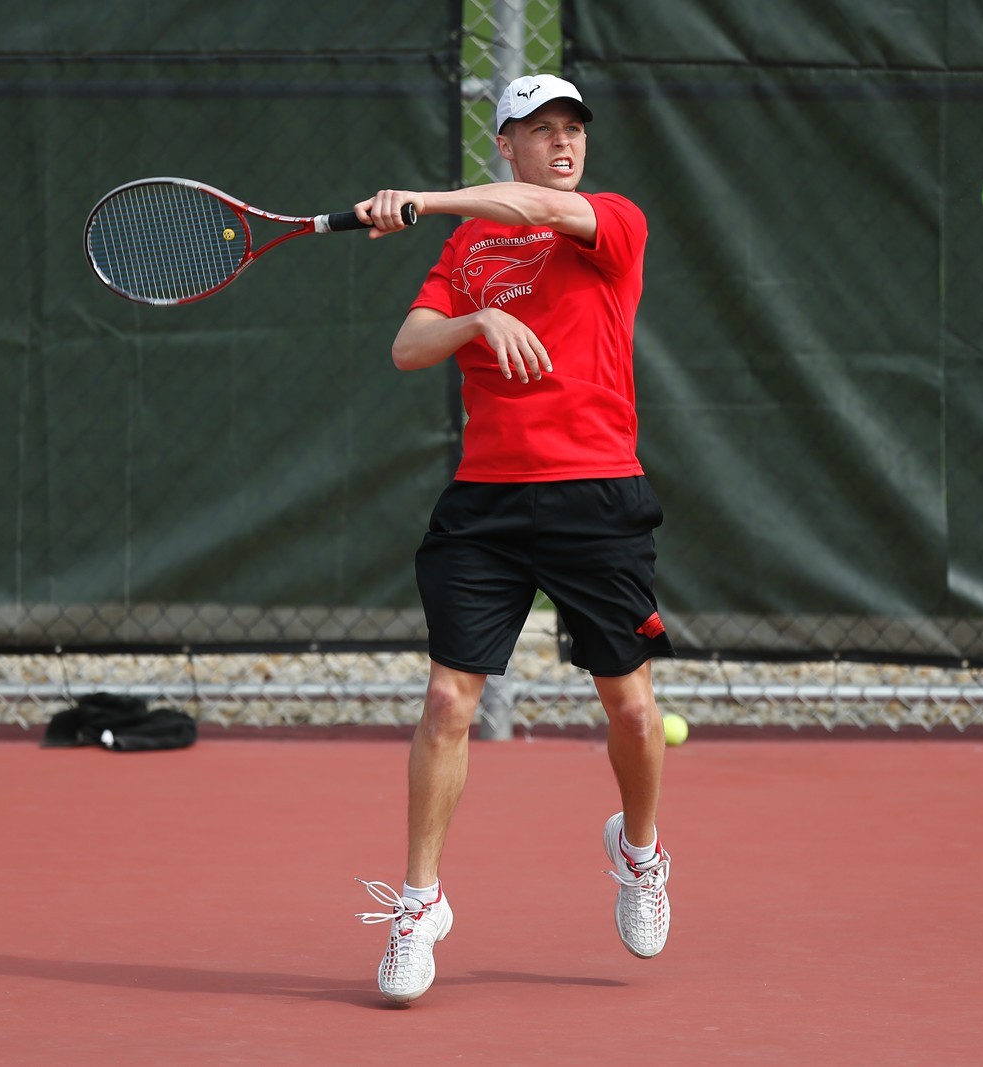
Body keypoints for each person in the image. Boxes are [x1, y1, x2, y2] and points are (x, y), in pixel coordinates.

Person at [352, 74, 675, 1005]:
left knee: (633, 711)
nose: (564, 144)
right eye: (542, 131)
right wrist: (478, 318)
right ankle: (420, 904)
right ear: (506, 142)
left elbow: (534, 206)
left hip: (598, 498)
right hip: (485, 504)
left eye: (574, 129)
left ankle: (640, 850)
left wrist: (418, 197)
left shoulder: (612, 221)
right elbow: (411, 347)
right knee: (449, 698)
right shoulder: (469, 243)